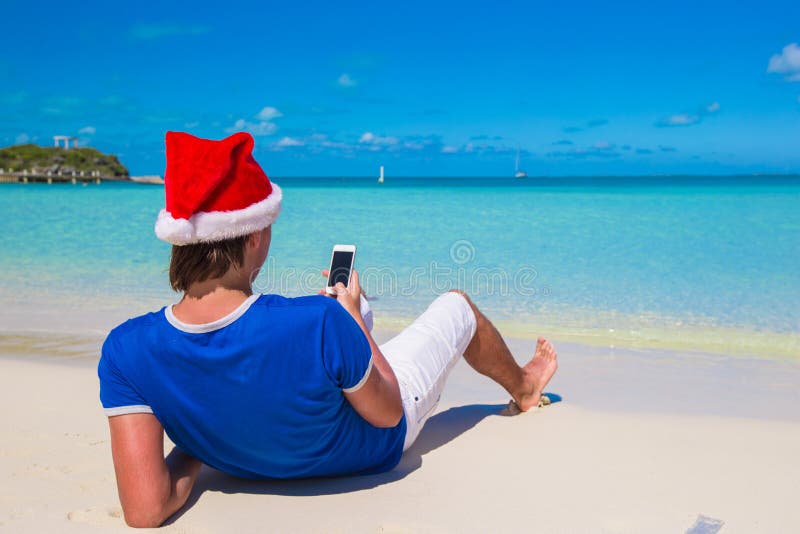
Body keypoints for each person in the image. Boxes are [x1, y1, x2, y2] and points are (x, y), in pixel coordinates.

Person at [98, 131, 558, 528]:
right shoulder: (317, 322)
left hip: (243, 460)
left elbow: (144, 510)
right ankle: (526, 387)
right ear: (254, 234)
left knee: (338, 331)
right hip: (365, 454)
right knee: (456, 308)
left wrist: (199, 442)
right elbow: (389, 414)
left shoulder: (127, 349)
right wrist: (351, 320)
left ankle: (355, 336)